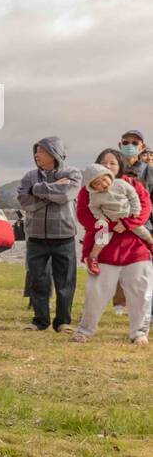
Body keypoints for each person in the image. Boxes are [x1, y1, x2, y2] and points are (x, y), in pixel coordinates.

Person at [74, 149, 153, 345]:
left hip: (135, 247)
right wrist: (108, 225)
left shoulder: (132, 184)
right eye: (104, 162)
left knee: (141, 290)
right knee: (96, 290)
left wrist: (126, 224)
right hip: (105, 247)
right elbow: (84, 214)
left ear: (120, 166)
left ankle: (139, 332)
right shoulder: (89, 190)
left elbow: (144, 208)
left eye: (113, 163)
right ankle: (85, 329)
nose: (108, 166)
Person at [16, 137, 80, 332]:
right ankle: (39, 321)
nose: (37, 155)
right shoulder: (29, 176)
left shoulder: (73, 173)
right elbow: (25, 202)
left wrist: (37, 190)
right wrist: (49, 193)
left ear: (55, 153)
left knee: (65, 282)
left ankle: (63, 322)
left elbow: (66, 195)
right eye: (36, 151)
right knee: (38, 280)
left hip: (64, 236)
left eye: (41, 151)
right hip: (35, 236)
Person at [81, 163, 153, 272]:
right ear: (93, 187)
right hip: (112, 219)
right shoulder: (95, 196)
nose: (103, 184)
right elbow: (93, 208)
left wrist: (135, 210)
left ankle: (151, 244)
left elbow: (133, 195)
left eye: (104, 179)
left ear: (109, 176)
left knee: (143, 232)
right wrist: (100, 217)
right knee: (102, 240)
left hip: (128, 216)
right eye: (97, 184)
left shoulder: (120, 184)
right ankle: (92, 258)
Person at [119, 130, 153, 196]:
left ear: (142, 147)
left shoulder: (149, 172)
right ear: (120, 146)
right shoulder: (114, 169)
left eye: (135, 143)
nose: (130, 146)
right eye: (126, 143)